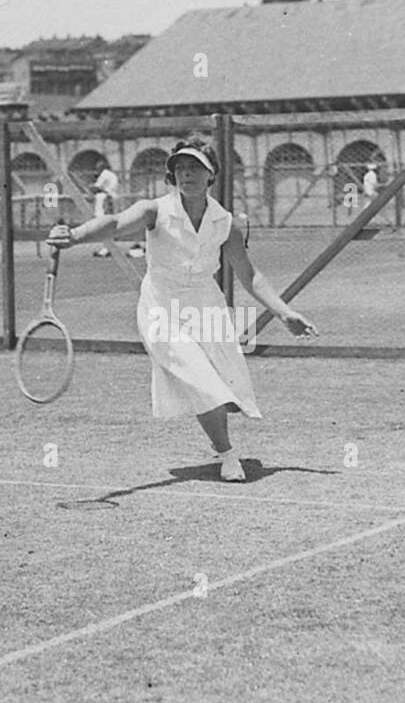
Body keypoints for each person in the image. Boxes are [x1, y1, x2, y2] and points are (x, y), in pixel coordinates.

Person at [47, 137, 317, 482]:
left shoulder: (226, 222)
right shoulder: (153, 210)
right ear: (172, 175)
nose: (186, 173)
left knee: (225, 382)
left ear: (211, 175)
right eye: (180, 168)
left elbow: (249, 274)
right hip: (161, 309)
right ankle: (228, 454)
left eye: (195, 167)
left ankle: (218, 411)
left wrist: (284, 312)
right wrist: (74, 234)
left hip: (207, 307)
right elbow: (114, 224)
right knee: (202, 381)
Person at [91, 160, 119, 258]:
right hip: (111, 200)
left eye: (97, 168)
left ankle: (106, 249)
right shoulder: (111, 175)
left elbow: (96, 188)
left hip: (105, 200)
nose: (97, 170)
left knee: (103, 226)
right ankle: (108, 248)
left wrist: (90, 186)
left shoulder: (104, 174)